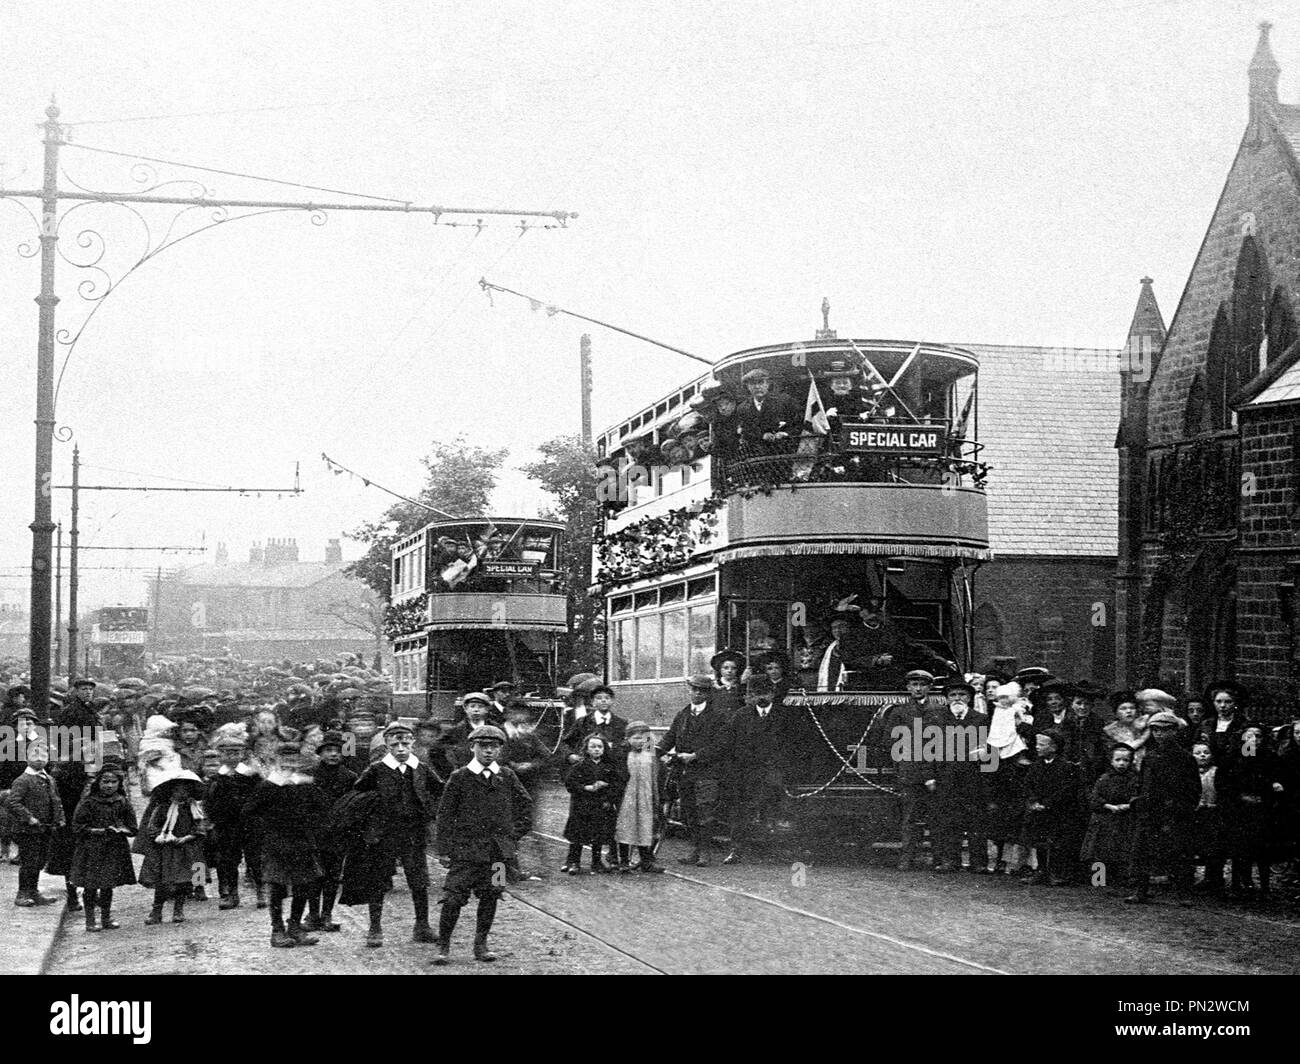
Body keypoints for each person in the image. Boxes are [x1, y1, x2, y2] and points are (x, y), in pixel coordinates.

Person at [432, 725, 533, 965]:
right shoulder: (460, 777)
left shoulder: (507, 776)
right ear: (472, 747)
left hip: (499, 856)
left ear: (500, 749)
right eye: (483, 746)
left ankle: (481, 944)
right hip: (465, 853)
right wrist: (445, 850)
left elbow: (526, 806)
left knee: (492, 894)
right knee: (453, 898)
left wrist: (511, 836)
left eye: (494, 747)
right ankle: (443, 946)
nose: (488, 751)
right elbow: (444, 815)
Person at [350, 721, 440, 948]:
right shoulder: (377, 769)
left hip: (413, 833)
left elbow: (440, 788)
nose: (401, 748)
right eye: (395, 744)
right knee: (378, 881)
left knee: (419, 881)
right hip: (384, 833)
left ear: (412, 744)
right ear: (387, 746)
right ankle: (375, 928)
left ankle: (422, 926)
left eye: (405, 743)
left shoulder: (421, 768)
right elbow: (359, 792)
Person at [243, 742, 328, 948]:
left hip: (302, 843)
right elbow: (248, 812)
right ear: (276, 761)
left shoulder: (306, 784)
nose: (290, 763)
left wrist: (311, 828)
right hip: (276, 844)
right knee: (277, 887)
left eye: (293, 759)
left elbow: (322, 808)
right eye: (285, 759)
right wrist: (268, 830)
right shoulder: (268, 786)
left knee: (304, 885)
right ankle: (277, 929)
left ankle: (295, 927)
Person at [1125, 711, 1200, 905]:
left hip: (1174, 813)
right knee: (1142, 851)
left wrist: (1180, 809)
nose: (1160, 734)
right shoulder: (1150, 757)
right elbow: (1142, 783)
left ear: (1175, 731)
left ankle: (1183, 893)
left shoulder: (1185, 758)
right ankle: (1140, 890)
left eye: (1165, 731)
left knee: (1179, 853)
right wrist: (1139, 801)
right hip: (1149, 811)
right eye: (1155, 730)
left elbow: (1193, 789)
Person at [657, 674, 732, 867]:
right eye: (694, 689)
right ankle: (695, 849)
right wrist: (655, 752)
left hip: (707, 773)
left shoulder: (718, 716)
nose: (697, 693)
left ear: (708, 694)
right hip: (685, 772)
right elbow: (669, 737)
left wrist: (696, 756)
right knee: (689, 812)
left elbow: (721, 745)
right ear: (689, 691)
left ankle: (705, 852)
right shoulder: (683, 715)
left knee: (705, 811)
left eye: (702, 690)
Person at [880, 670, 946, 871]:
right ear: (908, 687)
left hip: (936, 771)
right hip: (910, 771)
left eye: (922, 685)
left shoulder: (940, 710)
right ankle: (906, 858)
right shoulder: (900, 712)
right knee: (910, 817)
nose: (918, 688)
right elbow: (889, 741)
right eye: (914, 684)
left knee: (937, 817)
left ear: (929, 687)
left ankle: (938, 859)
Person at [724, 675, 788, 865]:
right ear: (750, 695)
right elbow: (729, 743)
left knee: (775, 809)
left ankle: (775, 849)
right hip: (747, 771)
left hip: (774, 771)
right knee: (741, 810)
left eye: (766, 693)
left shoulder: (785, 716)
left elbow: (794, 745)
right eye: (756, 694)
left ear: (773, 693)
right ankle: (736, 849)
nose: (761, 698)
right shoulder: (741, 715)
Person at [930, 679, 989, 874]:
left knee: (976, 820)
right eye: (953, 695)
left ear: (970, 698)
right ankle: (950, 860)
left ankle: (978, 862)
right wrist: (930, 776)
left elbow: (989, 751)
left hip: (973, 779)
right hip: (946, 778)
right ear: (946, 699)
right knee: (949, 820)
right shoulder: (937, 719)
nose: (957, 699)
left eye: (962, 695)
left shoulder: (980, 719)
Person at [69, 763, 137, 932]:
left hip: (114, 849)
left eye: (113, 782)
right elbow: (77, 827)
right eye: (105, 781)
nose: (109, 785)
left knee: (108, 885)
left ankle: (106, 917)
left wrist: (122, 830)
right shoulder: (88, 802)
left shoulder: (122, 802)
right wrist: (99, 831)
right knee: (91, 886)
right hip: (91, 849)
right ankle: (90, 920)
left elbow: (133, 827)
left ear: (118, 783)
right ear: (98, 783)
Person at [135, 769, 208, 925]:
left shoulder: (194, 808)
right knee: (163, 882)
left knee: (184, 882)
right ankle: (156, 911)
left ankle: (178, 910)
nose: (181, 793)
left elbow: (200, 828)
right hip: (166, 850)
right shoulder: (162, 808)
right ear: (171, 791)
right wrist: (162, 838)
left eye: (185, 790)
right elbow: (152, 827)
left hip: (187, 848)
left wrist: (187, 837)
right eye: (177, 789)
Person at [1217, 724, 1282, 898]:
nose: (1253, 740)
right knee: (1239, 848)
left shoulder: (1270, 757)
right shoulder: (1235, 757)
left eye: (1258, 736)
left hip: (1262, 809)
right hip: (1239, 809)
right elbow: (1227, 782)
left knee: (1262, 850)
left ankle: (1265, 888)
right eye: (1249, 736)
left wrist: (1269, 791)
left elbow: (1275, 780)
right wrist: (1241, 797)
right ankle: (1238, 885)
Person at [207, 726, 263, 909]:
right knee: (228, 860)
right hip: (226, 825)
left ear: (242, 754)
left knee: (255, 858)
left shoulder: (251, 775)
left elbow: (260, 797)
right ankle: (232, 893)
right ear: (220, 755)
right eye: (226, 753)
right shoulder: (216, 778)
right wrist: (213, 820)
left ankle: (261, 892)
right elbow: (209, 802)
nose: (231, 757)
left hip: (249, 823)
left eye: (235, 753)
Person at [983, 681, 1033, 876]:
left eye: (1007, 698)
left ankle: (1015, 862)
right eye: (1000, 698)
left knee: (1016, 820)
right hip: (998, 770)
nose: (1003, 701)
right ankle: (998, 861)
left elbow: (1026, 731)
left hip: (1015, 769)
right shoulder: (994, 714)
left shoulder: (1018, 711)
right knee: (998, 820)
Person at [1021, 730, 1081, 886]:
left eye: (1042, 744)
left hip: (1058, 812)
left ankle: (1056, 873)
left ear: (1053, 747)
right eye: (1037, 744)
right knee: (1039, 841)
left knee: (1057, 843)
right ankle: (1041, 871)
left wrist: (1047, 804)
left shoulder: (1066, 767)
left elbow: (1066, 790)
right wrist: (1034, 802)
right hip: (1038, 812)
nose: (1037, 747)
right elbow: (1028, 786)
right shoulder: (1035, 766)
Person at [9, 743, 64, 907]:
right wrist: (29, 818)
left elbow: (56, 800)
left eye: (43, 756)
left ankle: (34, 891)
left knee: (40, 861)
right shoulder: (22, 780)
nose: (40, 759)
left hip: (45, 828)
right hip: (27, 830)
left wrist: (60, 818)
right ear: (26, 758)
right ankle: (22, 893)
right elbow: (13, 803)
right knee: (29, 862)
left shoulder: (49, 779)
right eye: (35, 755)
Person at [562, 734, 626, 874]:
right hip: (582, 805)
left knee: (598, 835)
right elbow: (570, 783)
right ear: (586, 749)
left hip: (600, 805)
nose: (596, 749)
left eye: (600, 747)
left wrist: (606, 787)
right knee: (578, 835)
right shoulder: (579, 766)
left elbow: (617, 784)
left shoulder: (609, 767)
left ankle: (596, 862)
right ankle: (574, 862)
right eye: (593, 746)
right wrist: (585, 787)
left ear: (604, 749)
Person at [1079, 744, 1139, 893]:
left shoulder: (1135, 779)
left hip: (1125, 819)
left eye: (1125, 760)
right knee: (1100, 850)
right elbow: (1094, 798)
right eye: (1117, 760)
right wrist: (1108, 806)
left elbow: (1138, 797)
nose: (1121, 763)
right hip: (1105, 819)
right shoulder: (1105, 779)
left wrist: (1128, 805)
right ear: (1111, 761)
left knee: (1122, 851)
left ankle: (1121, 881)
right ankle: (1098, 879)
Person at [615, 721, 664, 874]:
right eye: (636, 738)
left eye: (643, 738)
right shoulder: (622, 755)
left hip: (646, 796)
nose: (640, 741)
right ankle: (623, 861)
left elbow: (656, 777)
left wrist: (657, 797)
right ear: (628, 739)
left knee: (645, 827)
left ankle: (646, 861)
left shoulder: (651, 755)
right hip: (627, 797)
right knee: (626, 827)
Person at [734, 367, 799, 456]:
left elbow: (797, 422)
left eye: (761, 382)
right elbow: (745, 430)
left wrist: (785, 433)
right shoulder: (742, 408)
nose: (757, 387)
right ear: (748, 386)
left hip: (784, 453)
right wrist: (762, 436)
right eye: (753, 384)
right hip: (755, 456)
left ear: (767, 384)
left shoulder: (783, 401)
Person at [1190, 740, 1226, 894]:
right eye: (1198, 753)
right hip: (1194, 813)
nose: (1202, 756)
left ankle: (1213, 878)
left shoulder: (1216, 772)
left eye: (1206, 752)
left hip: (1213, 813)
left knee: (1214, 846)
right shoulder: (1189, 773)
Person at [560, 685, 628, 765]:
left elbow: (626, 744)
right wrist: (570, 755)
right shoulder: (583, 722)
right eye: (599, 698)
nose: (603, 701)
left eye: (607, 698)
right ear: (592, 702)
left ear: (612, 701)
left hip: (613, 768)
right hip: (587, 767)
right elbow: (565, 742)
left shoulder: (621, 723)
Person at [1199, 683, 1249, 764]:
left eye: (1228, 702)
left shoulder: (1245, 725)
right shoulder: (1206, 724)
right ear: (1213, 703)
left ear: (1235, 703)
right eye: (1218, 701)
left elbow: (1249, 753)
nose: (1222, 705)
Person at [1104, 692, 1150, 768]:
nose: (1129, 711)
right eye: (1123, 709)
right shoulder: (1109, 731)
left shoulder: (1144, 725)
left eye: (1132, 708)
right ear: (1116, 713)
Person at [710, 650, 746, 718]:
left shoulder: (742, 687)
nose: (729, 671)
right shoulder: (713, 686)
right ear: (720, 669)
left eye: (734, 668)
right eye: (725, 668)